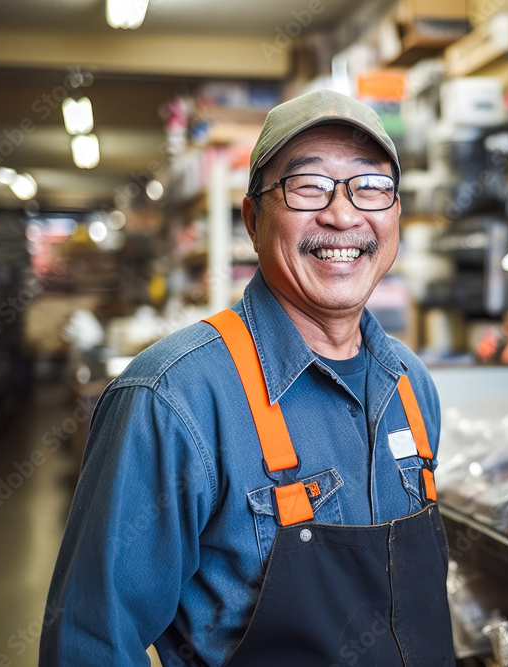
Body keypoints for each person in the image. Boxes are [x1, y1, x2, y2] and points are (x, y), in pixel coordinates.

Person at [40, 90, 454, 666]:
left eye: (371, 186)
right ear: (253, 218)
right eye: (309, 186)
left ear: (396, 216)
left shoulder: (410, 385)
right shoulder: (173, 398)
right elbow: (90, 645)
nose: (343, 214)